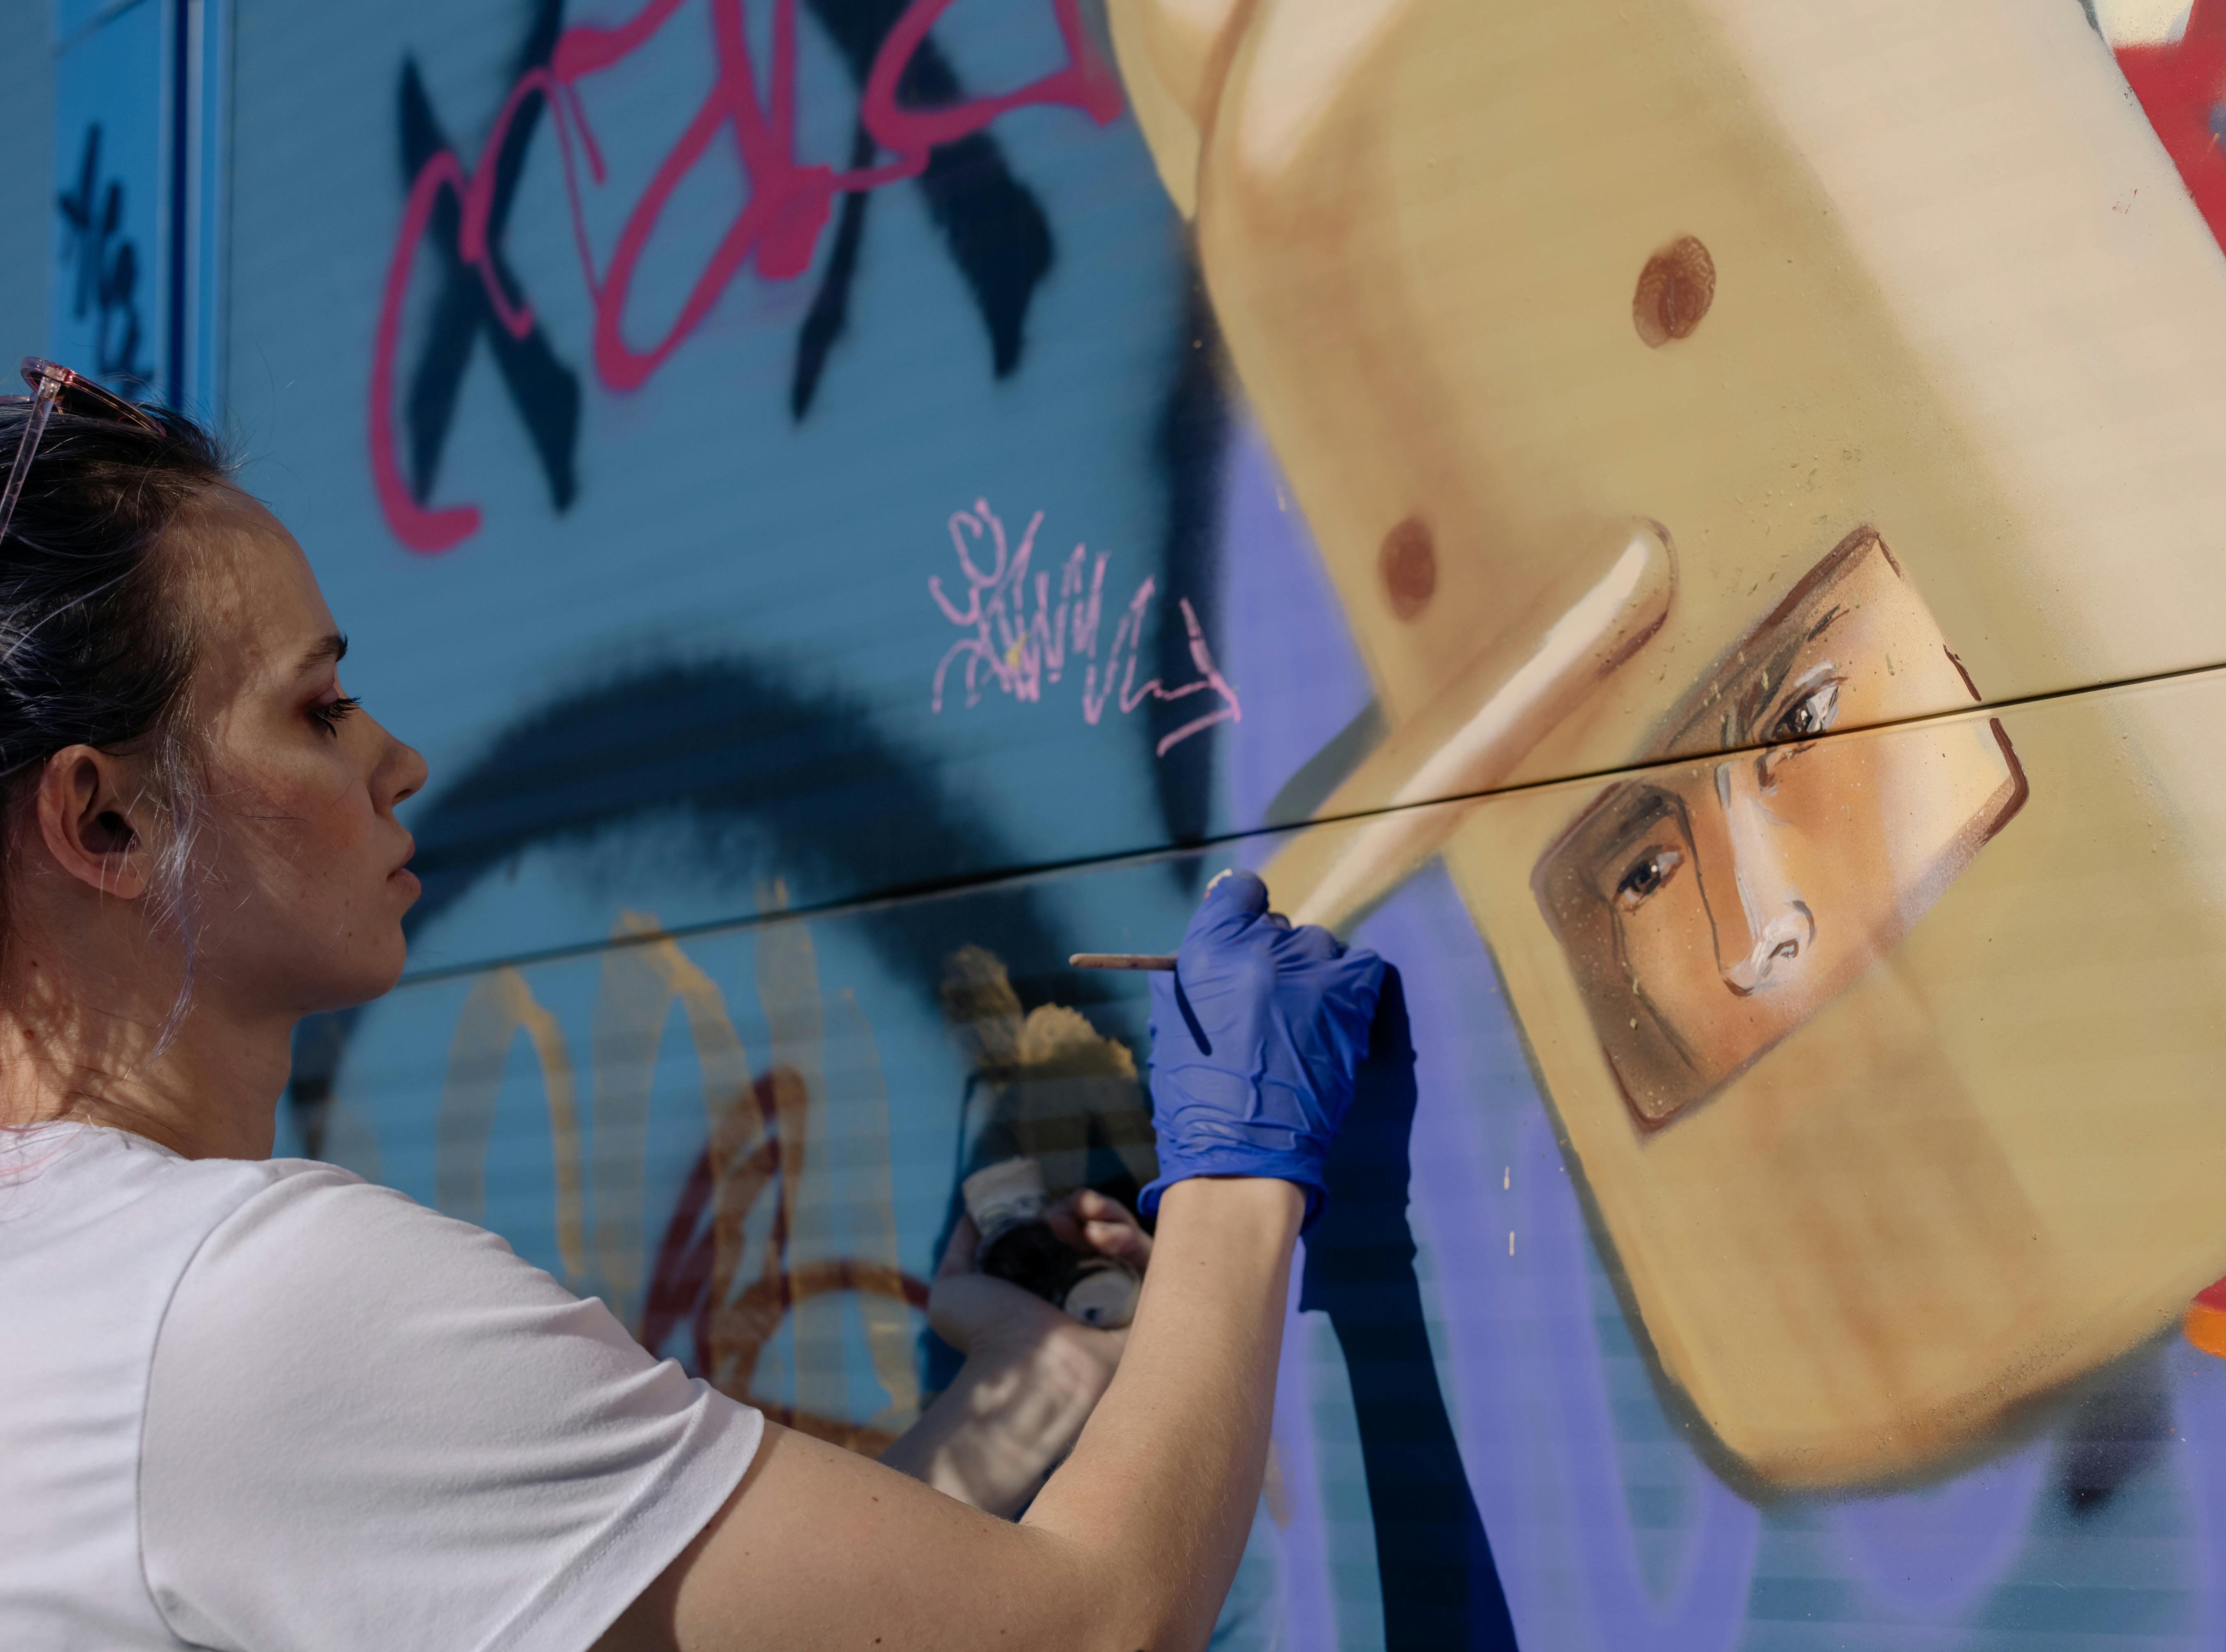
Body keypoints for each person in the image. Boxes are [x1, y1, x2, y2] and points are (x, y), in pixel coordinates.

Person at [0, 360, 1388, 1651]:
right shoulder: (243, 1314)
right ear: (102, 820)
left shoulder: (73, 1305)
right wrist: (1238, 1169)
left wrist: (1019, 1391)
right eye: (318, 709)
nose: (399, 759)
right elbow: (1086, 1626)